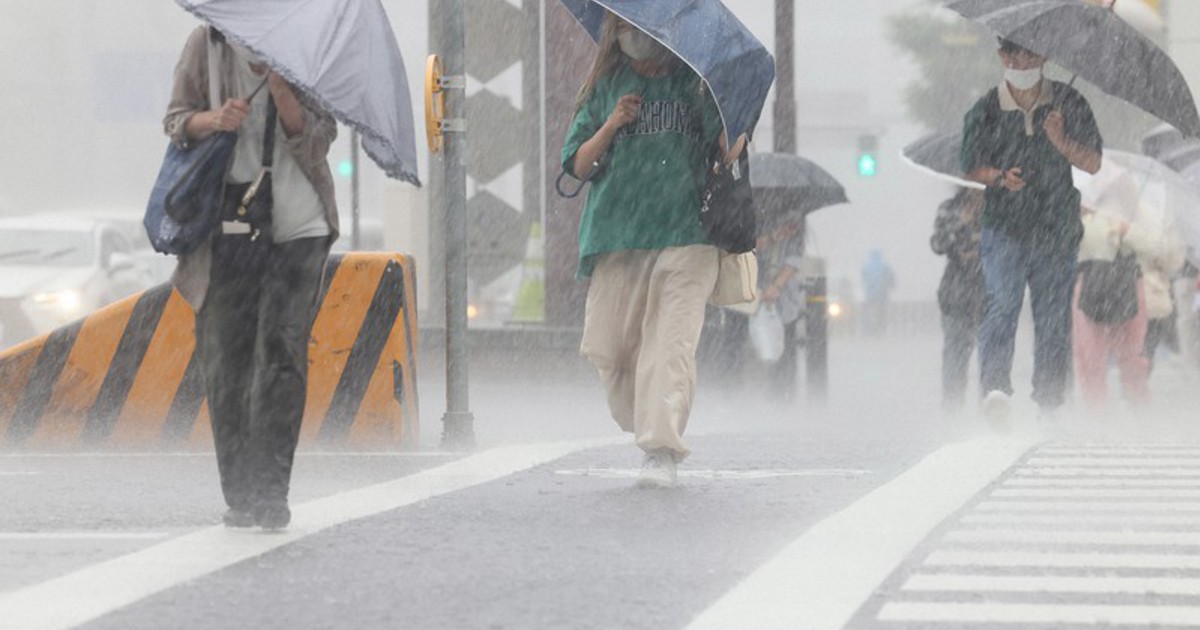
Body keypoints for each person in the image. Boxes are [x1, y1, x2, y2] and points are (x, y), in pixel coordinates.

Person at [165, 26, 338, 529]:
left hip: (298, 225)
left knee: (283, 353)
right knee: (227, 360)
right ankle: (240, 492)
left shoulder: (305, 49)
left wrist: (282, 87)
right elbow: (175, 120)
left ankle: (271, 492)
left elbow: (319, 140)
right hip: (228, 225)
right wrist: (212, 120)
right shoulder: (207, 44)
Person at [561, 13, 738, 488]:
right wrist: (614, 122)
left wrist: (732, 112)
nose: (632, 36)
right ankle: (648, 417)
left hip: (688, 232)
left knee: (670, 343)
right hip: (618, 235)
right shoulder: (605, 86)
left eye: (638, 27)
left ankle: (661, 449)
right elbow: (577, 164)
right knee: (614, 351)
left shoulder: (693, 84)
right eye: (622, 26)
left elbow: (727, 150)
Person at [961, 38, 1103, 425]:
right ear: (1000, 55)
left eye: (1029, 52)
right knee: (1003, 303)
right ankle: (994, 389)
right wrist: (999, 178)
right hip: (1004, 228)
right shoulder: (986, 109)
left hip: (1056, 229)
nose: (1020, 60)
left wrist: (1061, 141)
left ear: (1045, 55)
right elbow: (970, 166)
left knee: (1053, 316)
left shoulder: (1070, 103)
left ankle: (1051, 401)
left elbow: (1092, 163)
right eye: (1012, 52)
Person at [930, 188, 985, 412]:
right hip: (955, 292)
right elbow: (937, 244)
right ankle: (952, 407)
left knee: (989, 352)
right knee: (955, 352)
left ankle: (990, 404)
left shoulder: (998, 206)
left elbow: (1004, 242)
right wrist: (962, 225)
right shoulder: (948, 208)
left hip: (987, 290)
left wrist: (978, 245)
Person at [756, 213, 806, 401]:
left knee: (785, 348)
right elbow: (747, 248)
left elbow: (793, 263)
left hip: (784, 302)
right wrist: (773, 237)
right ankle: (770, 392)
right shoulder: (758, 220)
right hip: (757, 296)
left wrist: (776, 286)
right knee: (763, 346)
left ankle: (783, 394)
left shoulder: (796, 225)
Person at [860, 249, 895, 336]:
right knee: (881, 310)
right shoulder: (885, 265)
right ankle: (881, 327)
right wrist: (891, 286)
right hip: (882, 293)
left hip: (870, 293)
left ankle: (869, 328)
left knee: (869, 310)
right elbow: (890, 277)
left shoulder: (867, 265)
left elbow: (863, 277)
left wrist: (868, 286)